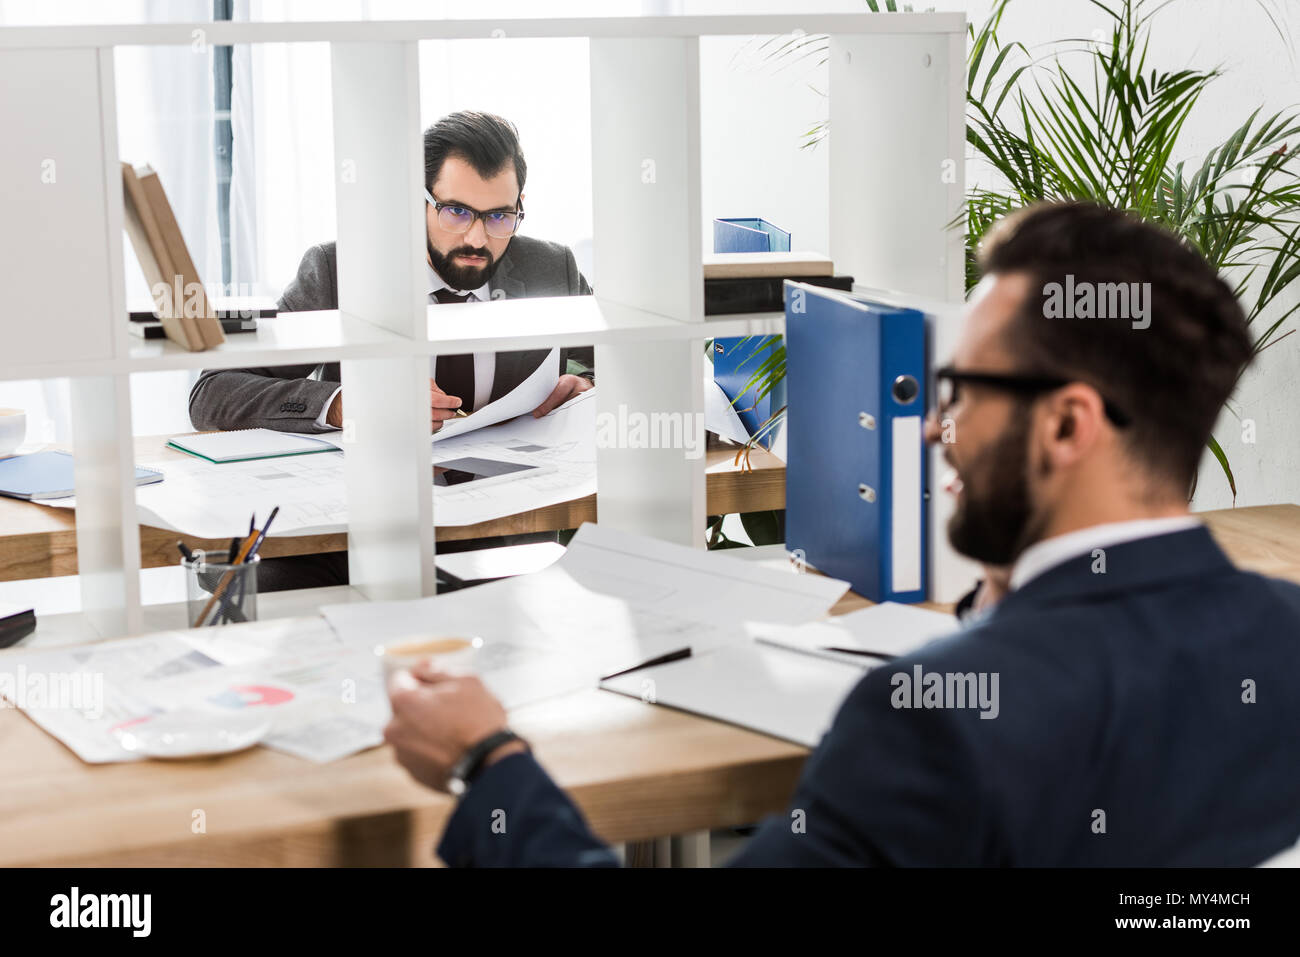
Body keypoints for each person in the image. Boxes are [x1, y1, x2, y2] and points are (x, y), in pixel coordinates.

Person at [384, 201, 1300, 867]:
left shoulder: (932, 723)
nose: (936, 428)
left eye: (963, 391)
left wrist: (488, 760)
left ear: (1065, 426)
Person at [189, 111, 595, 589]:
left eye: (500, 216)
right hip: (347, 526)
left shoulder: (550, 267)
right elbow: (213, 394)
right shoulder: (339, 269)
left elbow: (625, 365)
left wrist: (586, 385)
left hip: (495, 526)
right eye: (456, 211)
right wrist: (348, 405)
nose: (476, 238)